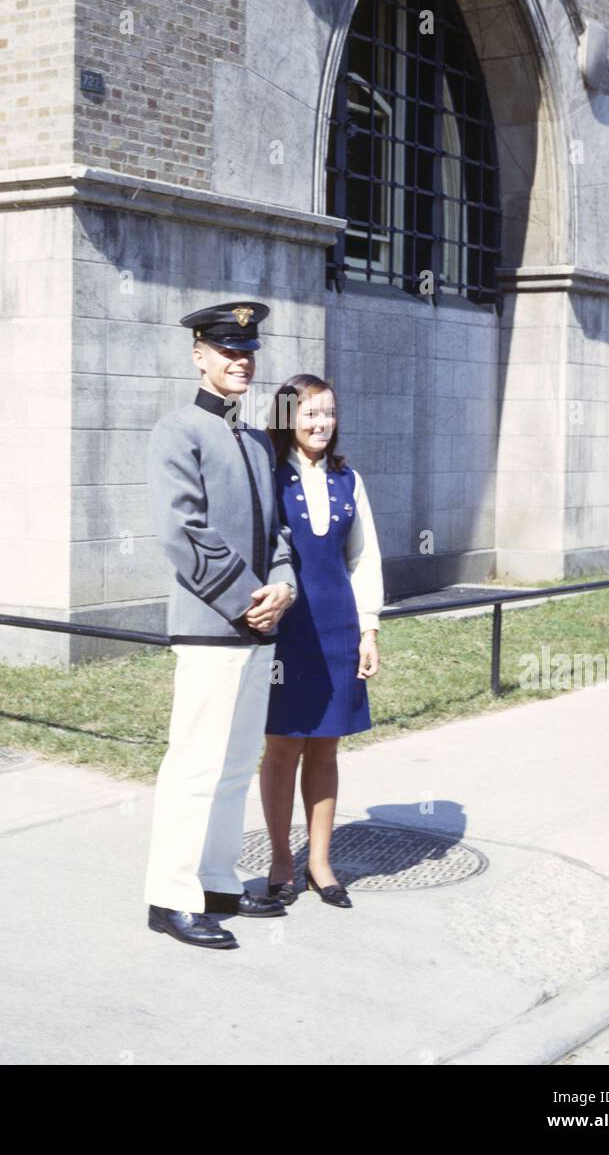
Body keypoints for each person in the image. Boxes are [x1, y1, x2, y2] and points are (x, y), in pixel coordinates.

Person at [143, 300, 297, 950]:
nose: (241, 360)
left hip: (260, 627)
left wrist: (283, 585)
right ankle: (170, 895)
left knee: (235, 764)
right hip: (213, 625)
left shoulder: (259, 440)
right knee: (196, 764)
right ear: (199, 355)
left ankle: (213, 879)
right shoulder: (177, 431)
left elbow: (277, 529)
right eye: (228, 350)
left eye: (249, 351)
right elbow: (181, 531)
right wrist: (245, 597)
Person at [260, 374, 384, 908]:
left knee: (327, 746)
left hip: (337, 628)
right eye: (310, 413)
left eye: (329, 413)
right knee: (284, 746)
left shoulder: (348, 479)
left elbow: (363, 558)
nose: (321, 423)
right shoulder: (266, 474)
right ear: (288, 417)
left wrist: (370, 628)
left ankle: (319, 861)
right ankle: (281, 861)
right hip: (285, 632)